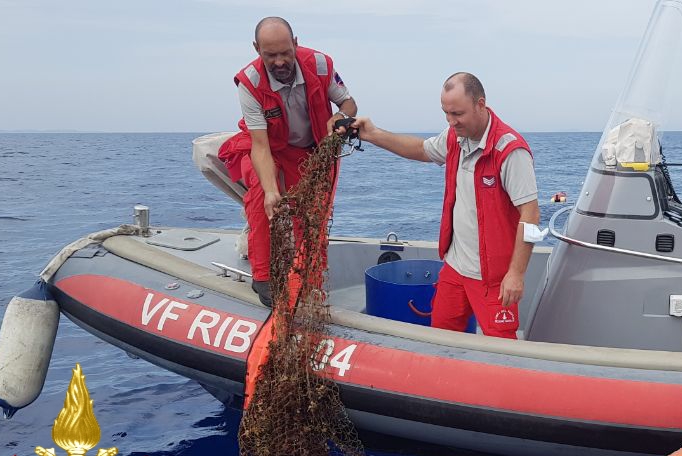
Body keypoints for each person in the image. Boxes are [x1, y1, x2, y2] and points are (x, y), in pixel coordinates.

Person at [351, 73, 540, 338]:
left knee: (502, 349)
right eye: (446, 113)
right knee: (441, 339)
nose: (451, 121)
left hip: (494, 279)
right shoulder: (454, 137)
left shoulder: (510, 151)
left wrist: (516, 274)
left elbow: (531, 214)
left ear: (480, 104)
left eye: (458, 114)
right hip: (455, 269)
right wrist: (372, 134)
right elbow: (421, 149)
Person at [218, 16, 357, 306]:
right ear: (257, 49)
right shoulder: (249, 82)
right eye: (271, 55)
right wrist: (272, 190)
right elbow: (260, 146)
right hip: (269, 148)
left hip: (312, 152)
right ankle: (263, 277)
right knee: (262, 197)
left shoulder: (320, 64)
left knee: (312, 214)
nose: (280, 62)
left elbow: (348, 103)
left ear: (295, 43)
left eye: (285, 53)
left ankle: (308, 279)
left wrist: (340, 116)